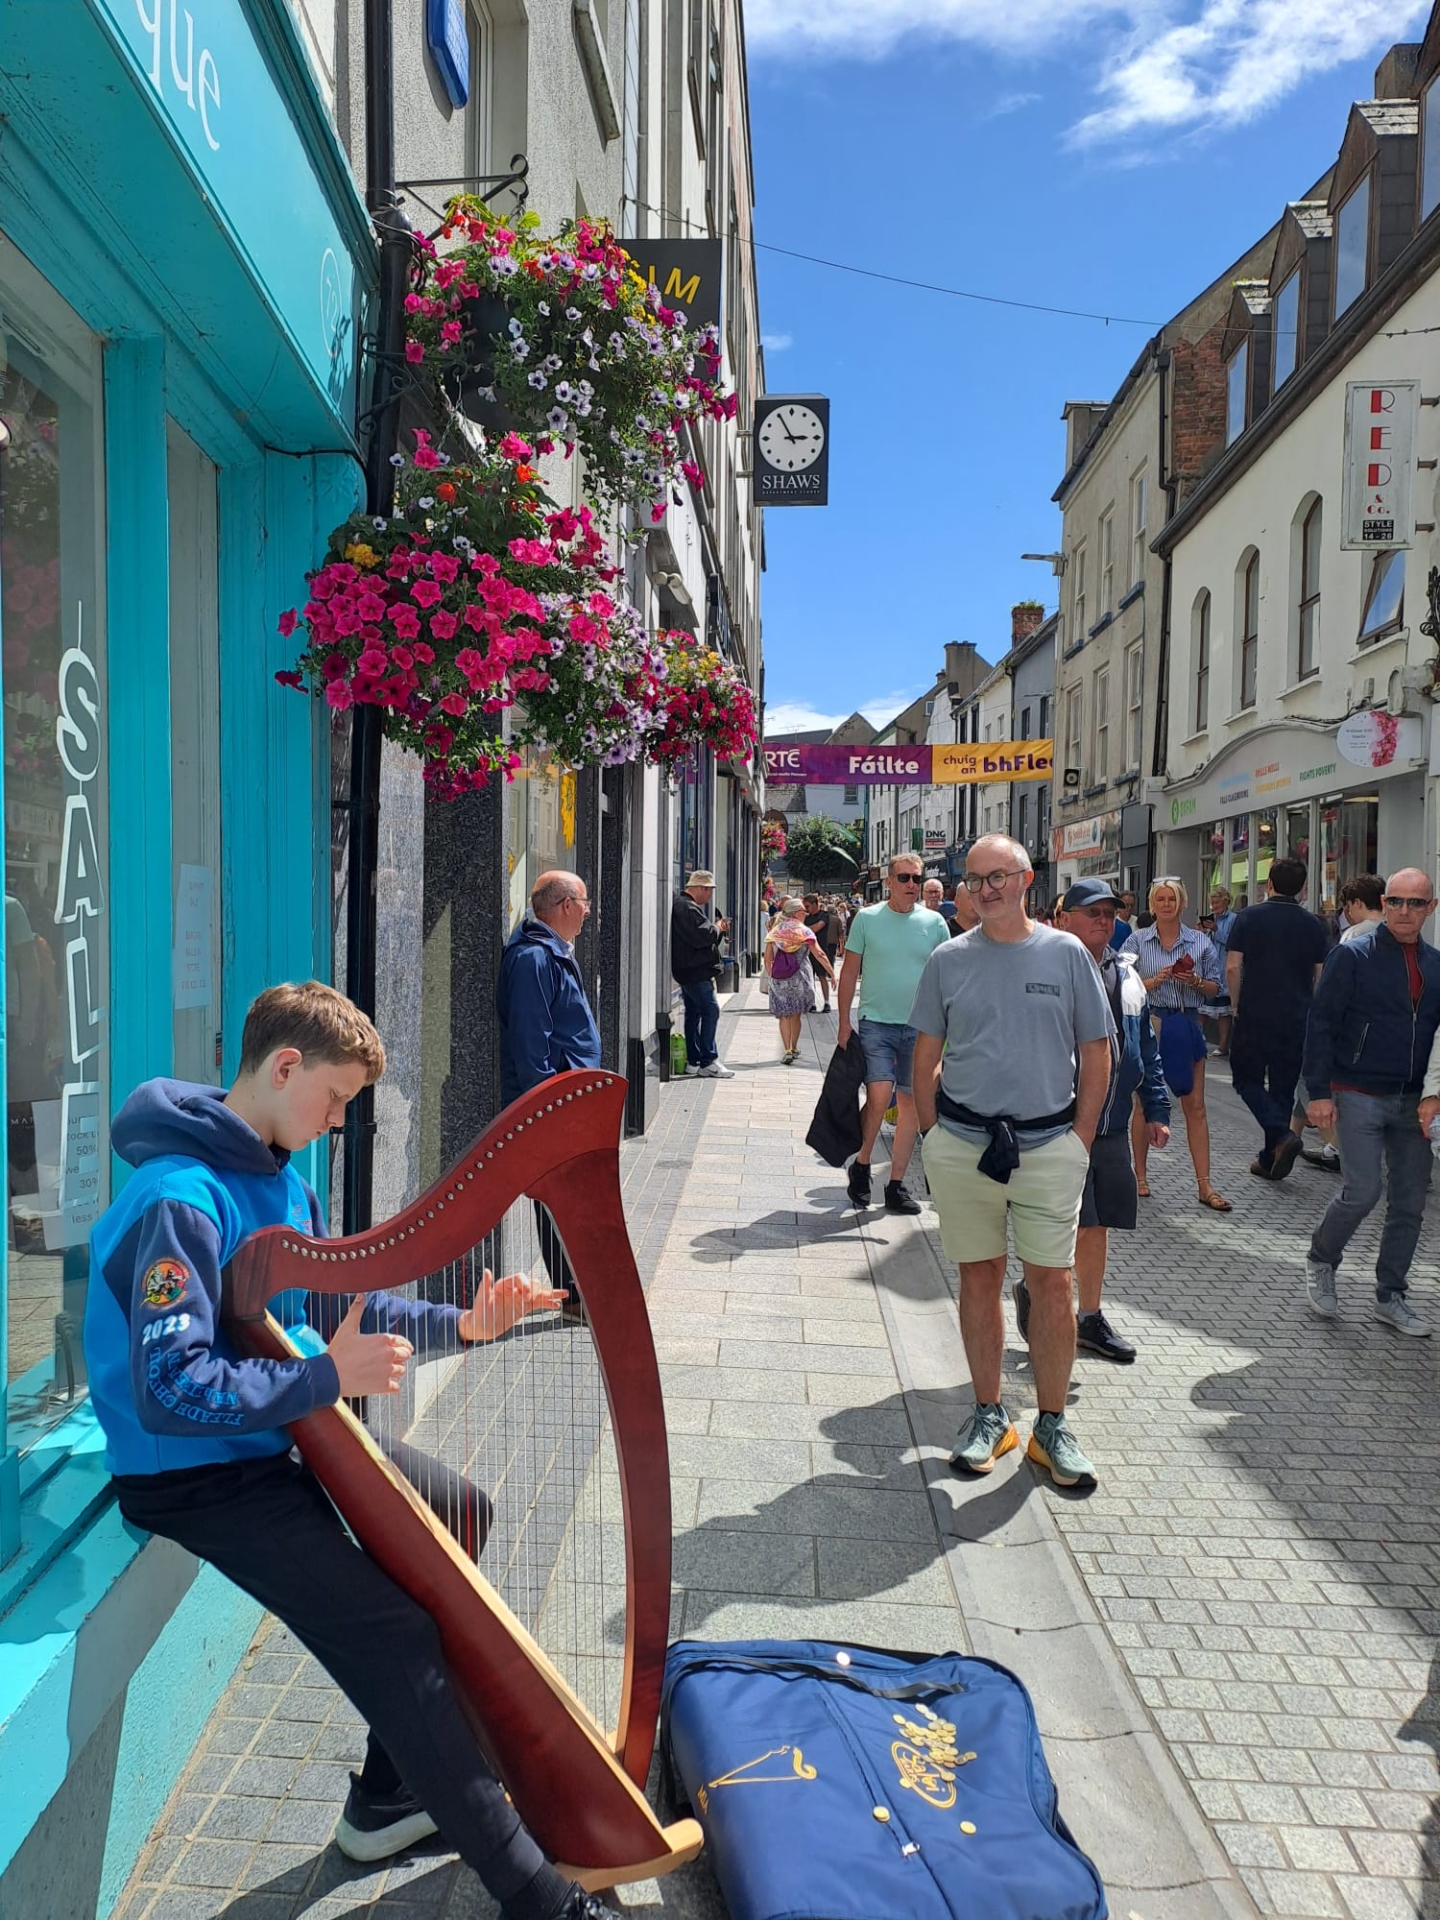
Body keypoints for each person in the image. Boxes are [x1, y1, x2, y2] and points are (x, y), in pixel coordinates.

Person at [81, 983, 616, 1920]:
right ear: (283, 1067)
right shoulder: (180, 1200)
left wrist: (468, 1323)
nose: (335, 1123)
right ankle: (542, 1899)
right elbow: (172, 1390)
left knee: (459, 1510)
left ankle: (386, 1795)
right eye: (334, 1100)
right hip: (194, 1479)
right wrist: (326, 1382)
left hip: (273, 1437)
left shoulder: (283, 1175)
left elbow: (333, 1307)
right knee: (391, 1631)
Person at [912, 836, 1114, 1488]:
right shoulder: (947, 959)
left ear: (1027, 880)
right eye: (975, 880)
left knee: (1053, 1282)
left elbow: (1097, 1049)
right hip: (965, 1144)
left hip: (1048, 1144)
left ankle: (1051, 1425)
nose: (986, 889)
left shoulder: (1064, 954)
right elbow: (924, 1054)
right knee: (979, 1275)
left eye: (998, 877)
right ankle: (989, 1414)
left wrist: (1080, 1137)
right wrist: (932, 1134)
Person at [1012, 879, 1170, 1366]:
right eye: (1092, 912)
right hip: (1054, 1122)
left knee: (1097, 1224)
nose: (1105, 920)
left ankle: (1089, 1317)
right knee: (1064, 1221)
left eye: (1111, 912)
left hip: (1110, 1122)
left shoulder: (1127, 976)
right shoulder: (1040, 968)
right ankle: (1042, 1295)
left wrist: (1158, 1108)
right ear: (1064, 918)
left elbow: (1144, 1048)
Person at [1303, 869, 1440, 1334]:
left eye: (1416, 903)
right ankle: (1322, 1258)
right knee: (1363, 1191)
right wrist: (1318, 1092)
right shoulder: (1353, 955)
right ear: (1384, 902)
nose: (1405, 911)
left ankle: (1390, 1295)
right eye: (1397, 901)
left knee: (1409, 1202)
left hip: (1413, 1100)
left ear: (1431, 908)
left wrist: (1434, 1094)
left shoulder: (1436, 965)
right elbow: (1321, 1022)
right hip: (1358, 1091)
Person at [497, 870, 601, 1306]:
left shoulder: (549, 952)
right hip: (553, 1103)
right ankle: (572, 1293)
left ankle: (578, 1287)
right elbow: (530, 1041)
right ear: (564, 906)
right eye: (585, 902)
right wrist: (546, 1110)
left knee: (571, 1198)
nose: (589, 911)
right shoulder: (533, 958)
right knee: (558, 1201)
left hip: (569, 1097)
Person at [836, 852, 949, 1215]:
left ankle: (896, 1185)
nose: (911, 885)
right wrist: (842, 1021)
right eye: (904, 878)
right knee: (879, 1092)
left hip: (921, 1027)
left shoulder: (934, 923)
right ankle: (863, 1162)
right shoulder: (867, 919)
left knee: (910, 1104)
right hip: (876, 1021)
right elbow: (850, 971)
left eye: (916, 879)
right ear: (889, 881)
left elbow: (948, 977)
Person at [1122, 878, 1229, 1211]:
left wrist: (1194, 980)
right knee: (1143, 1104)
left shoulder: (1200, 942)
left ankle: (1204, 1184)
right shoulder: (1137, 939)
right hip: (1150, 1021)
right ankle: (1139, 1176)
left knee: (1195, 1106)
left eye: (1172, 899)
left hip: (1186, 1022)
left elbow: (1215, 988)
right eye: (1161, 899)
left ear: (1182, 904)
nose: (1167, 904)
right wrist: (1155, 980)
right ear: (1152, 904)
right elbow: (1120, 980)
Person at [1225, 856, 1330, 1182]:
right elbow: (1320, 973)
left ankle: (1280, 1137)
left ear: (1268, 883)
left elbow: (1232, 966)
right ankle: (1271, 1159)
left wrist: (1235, 1004)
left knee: (1246, 1080)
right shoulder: (1315, 924)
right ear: (1301, 888)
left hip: (1256, 1012)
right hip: (1297, 1016)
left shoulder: (1249, 917)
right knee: (1283, 1088)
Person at [670, 868, 734, 1078]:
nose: (710, 895)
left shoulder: (684, 906)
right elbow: (702, 936)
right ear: (698, 888)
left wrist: (716, 931)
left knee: (694, 1013)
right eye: (708, 890)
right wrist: (717, 928)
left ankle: (694, 1060)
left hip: (687, 969)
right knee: (710, 1010)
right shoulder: (687, 907)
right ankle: (708, 1059)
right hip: (694, 970)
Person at [766, 898, 836, 1062]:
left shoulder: (775, 931)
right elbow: (819, 954)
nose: (805, 914)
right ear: (797, 913)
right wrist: (831, 972)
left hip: (779, 979)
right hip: (800, 977)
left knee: (784, 1015)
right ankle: (794, 1047)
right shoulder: (805, 932)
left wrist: (772, 976)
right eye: (803, 911)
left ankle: (787, 1049)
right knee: (796, 1015)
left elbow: (768, 958)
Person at [1207, 886, 1237, 1056]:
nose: (1214, 906)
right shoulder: (1213, 918)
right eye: (1212, 902)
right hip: (1211, 968)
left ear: (1226, 901)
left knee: (1223, 1011)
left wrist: (1216, 930)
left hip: (1225, 966)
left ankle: (1223, 1045)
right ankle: (1199, 1041)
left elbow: (1232, 941)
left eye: (1217, 902)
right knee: (1204, 1007)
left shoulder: (1233, 919)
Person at [802, 892, 843, 1011]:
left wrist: (803, 930)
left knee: (822, 976)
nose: (806, 909)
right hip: (808, 951)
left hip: (822, 949)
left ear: (815, 904)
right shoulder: (806, 917)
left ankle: (826, 1002)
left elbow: (818, 927)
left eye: (808, 906)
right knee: (810, 978)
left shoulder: (824, 915)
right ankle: (812, 1002)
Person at [1339, 873, 1385, 943]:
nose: (1349, 912)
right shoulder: (1397, 931)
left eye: (1350, 906)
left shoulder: (1353, 934)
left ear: (1358, 903)